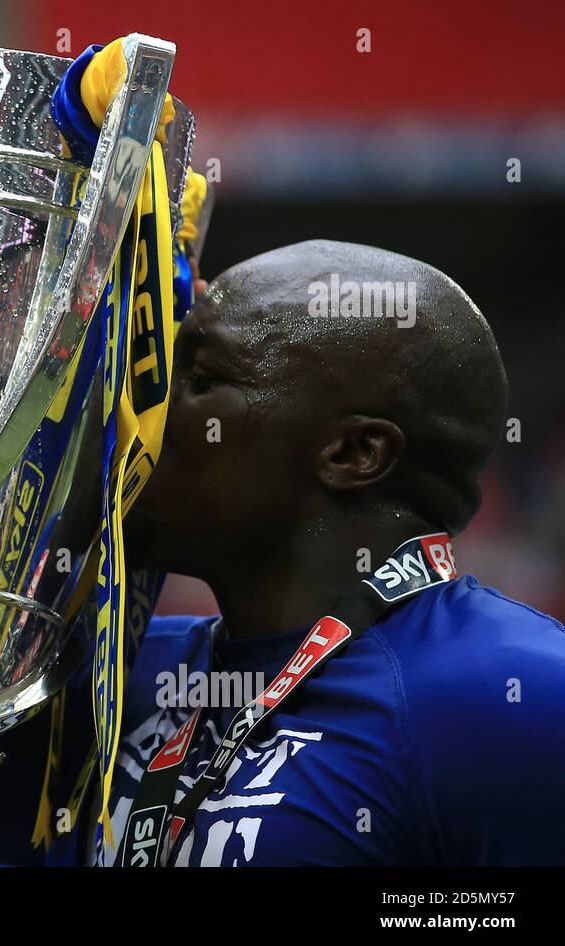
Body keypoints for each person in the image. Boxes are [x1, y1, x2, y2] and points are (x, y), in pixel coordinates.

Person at [51, 239, 565, 866]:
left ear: (353, 454)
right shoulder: (115, 676)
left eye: (203, 380)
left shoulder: (510, 694)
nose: (145, 410)